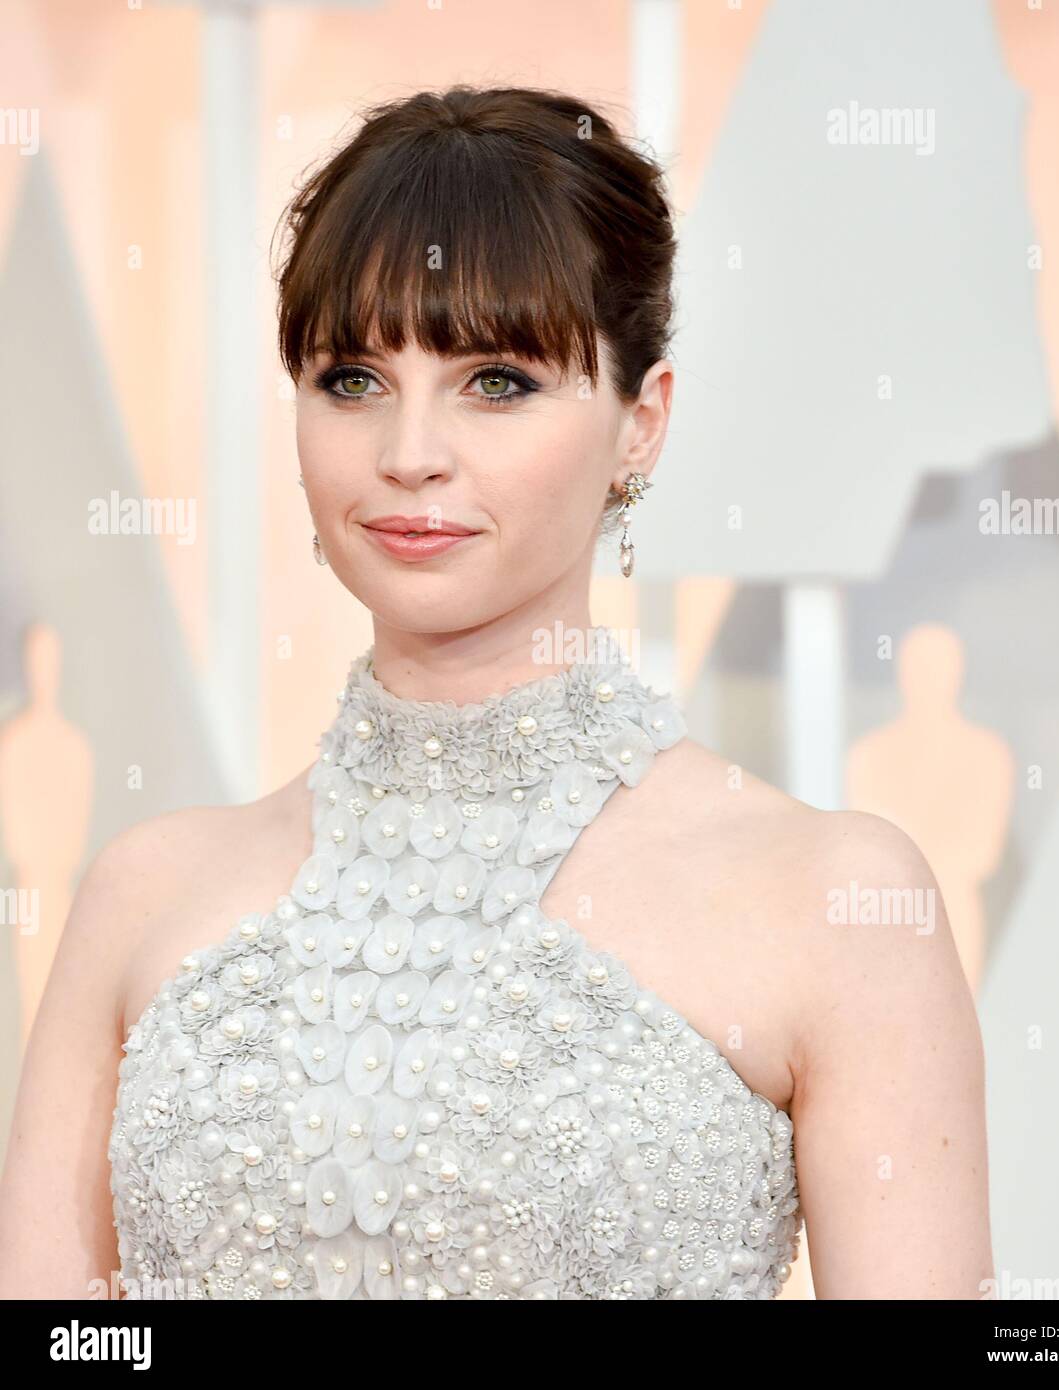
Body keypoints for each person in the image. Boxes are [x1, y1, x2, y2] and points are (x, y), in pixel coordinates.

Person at [0, 85, 991, 1300]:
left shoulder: (834, 902)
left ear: (642, 423)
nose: (409, 452)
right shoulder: (141, 896)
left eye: (498, 381)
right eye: (351, 378)